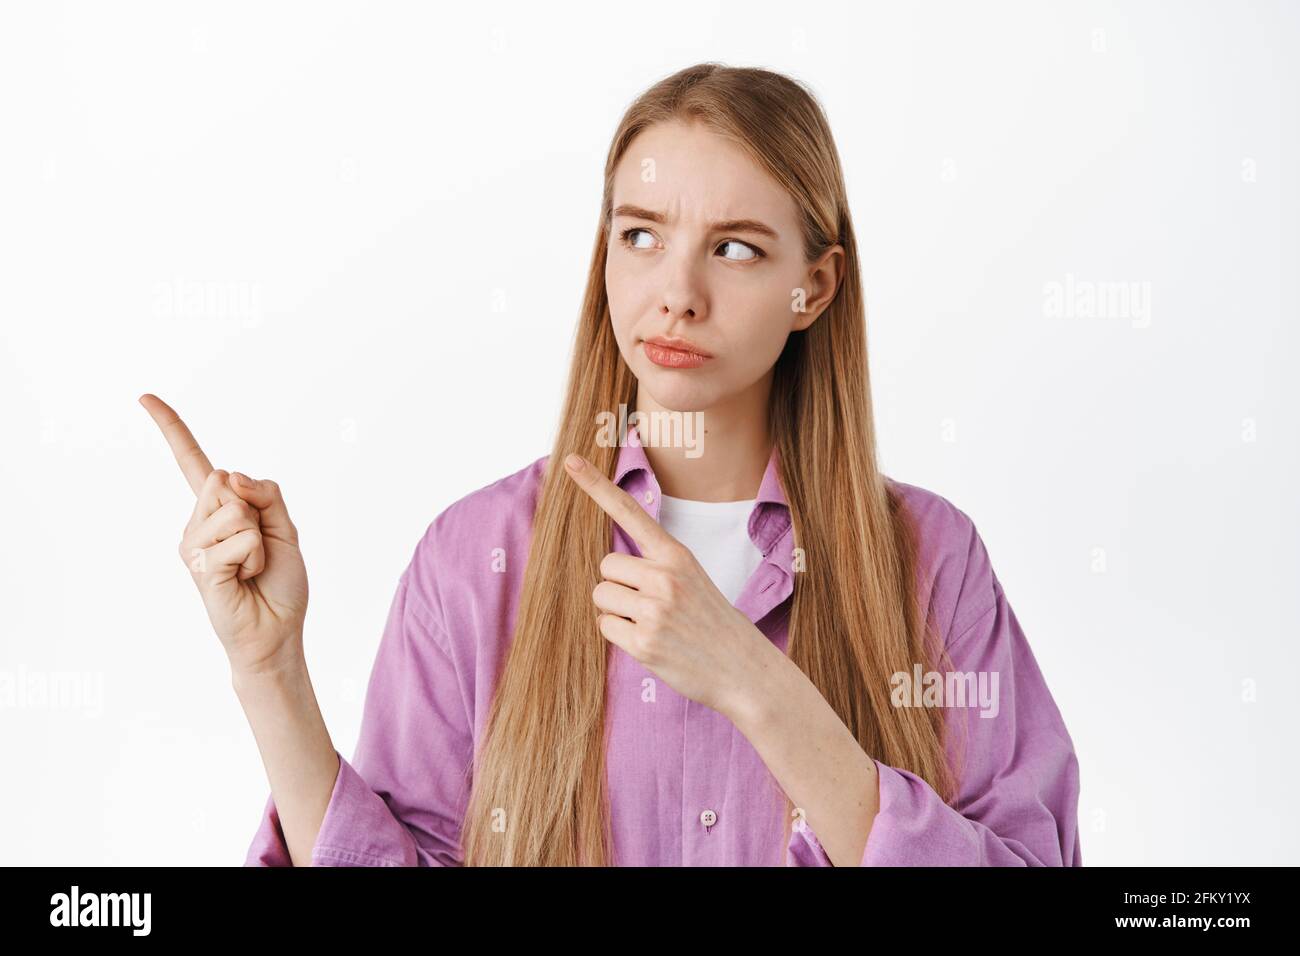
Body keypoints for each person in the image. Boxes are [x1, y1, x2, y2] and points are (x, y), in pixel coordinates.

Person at [142, 62, 1081, 867]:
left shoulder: (930, 558)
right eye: (641, 236)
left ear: (815, 286)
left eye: (736, 249)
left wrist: (757, 689)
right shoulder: (476, 555)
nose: (676, 294)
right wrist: (266, 669)